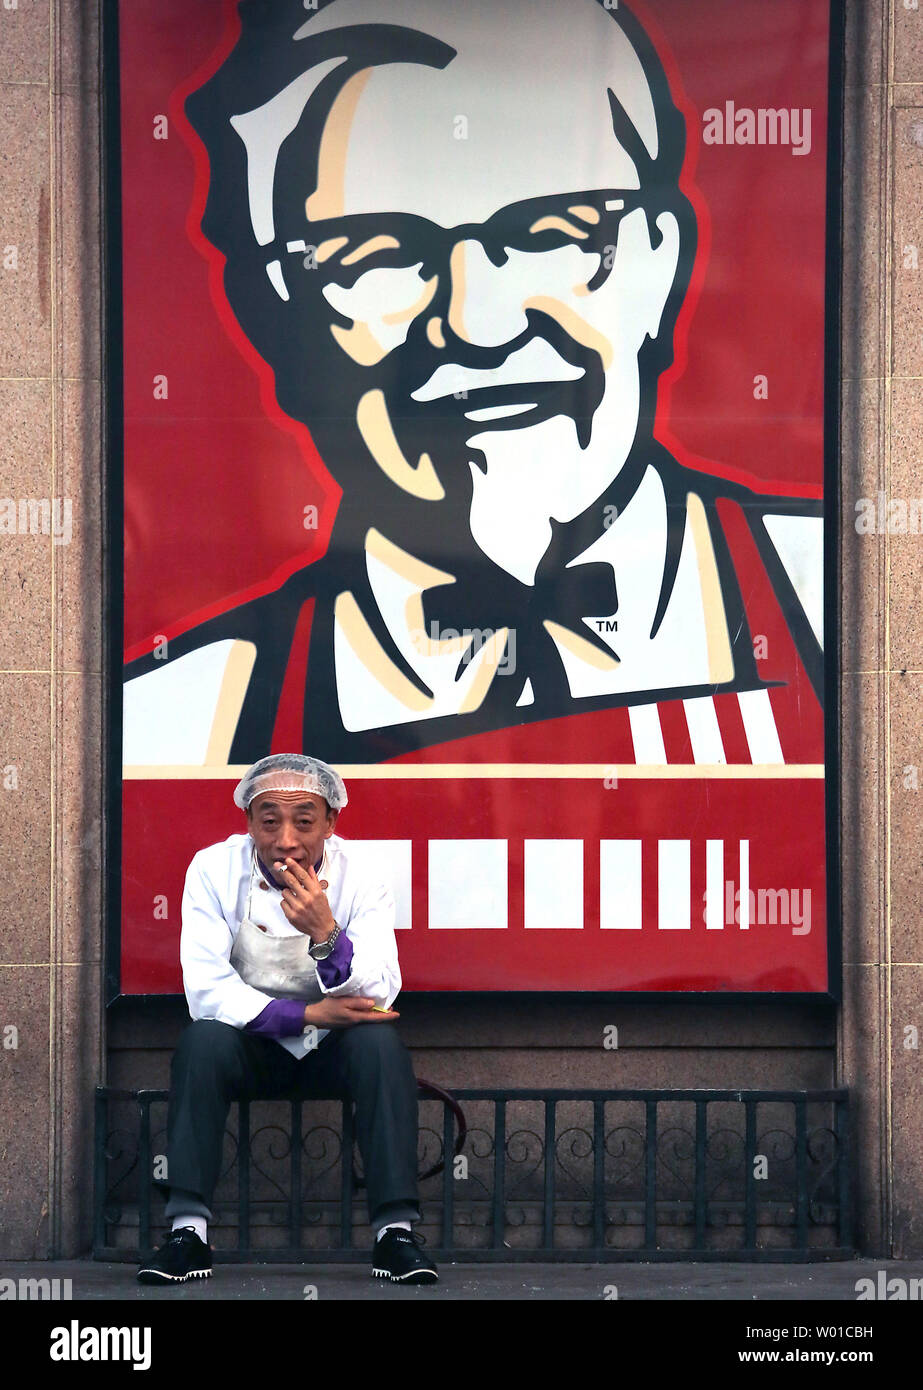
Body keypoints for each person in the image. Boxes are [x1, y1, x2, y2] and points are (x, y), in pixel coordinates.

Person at [123, 0, 823, 770]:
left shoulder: (831, 604)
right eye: (373, 253)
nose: (477, 325)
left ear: (659, 263)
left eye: (551, 232)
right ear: (277, 319)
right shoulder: (181, 724)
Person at [137, 753, 437, 1285]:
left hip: (334, 1046)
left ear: (331, 823)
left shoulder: (362, 876)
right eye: (269, 820)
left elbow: (379, 989)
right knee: (201, 1043)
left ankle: (395, 1232)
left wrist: (326, 935)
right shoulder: (213, 869)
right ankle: (188, 1233)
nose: (286, 839)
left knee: (381, 1047)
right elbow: (205, 988)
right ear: (249, 823)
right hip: (249, 1045)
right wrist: (304, 1013)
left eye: (304, 820)